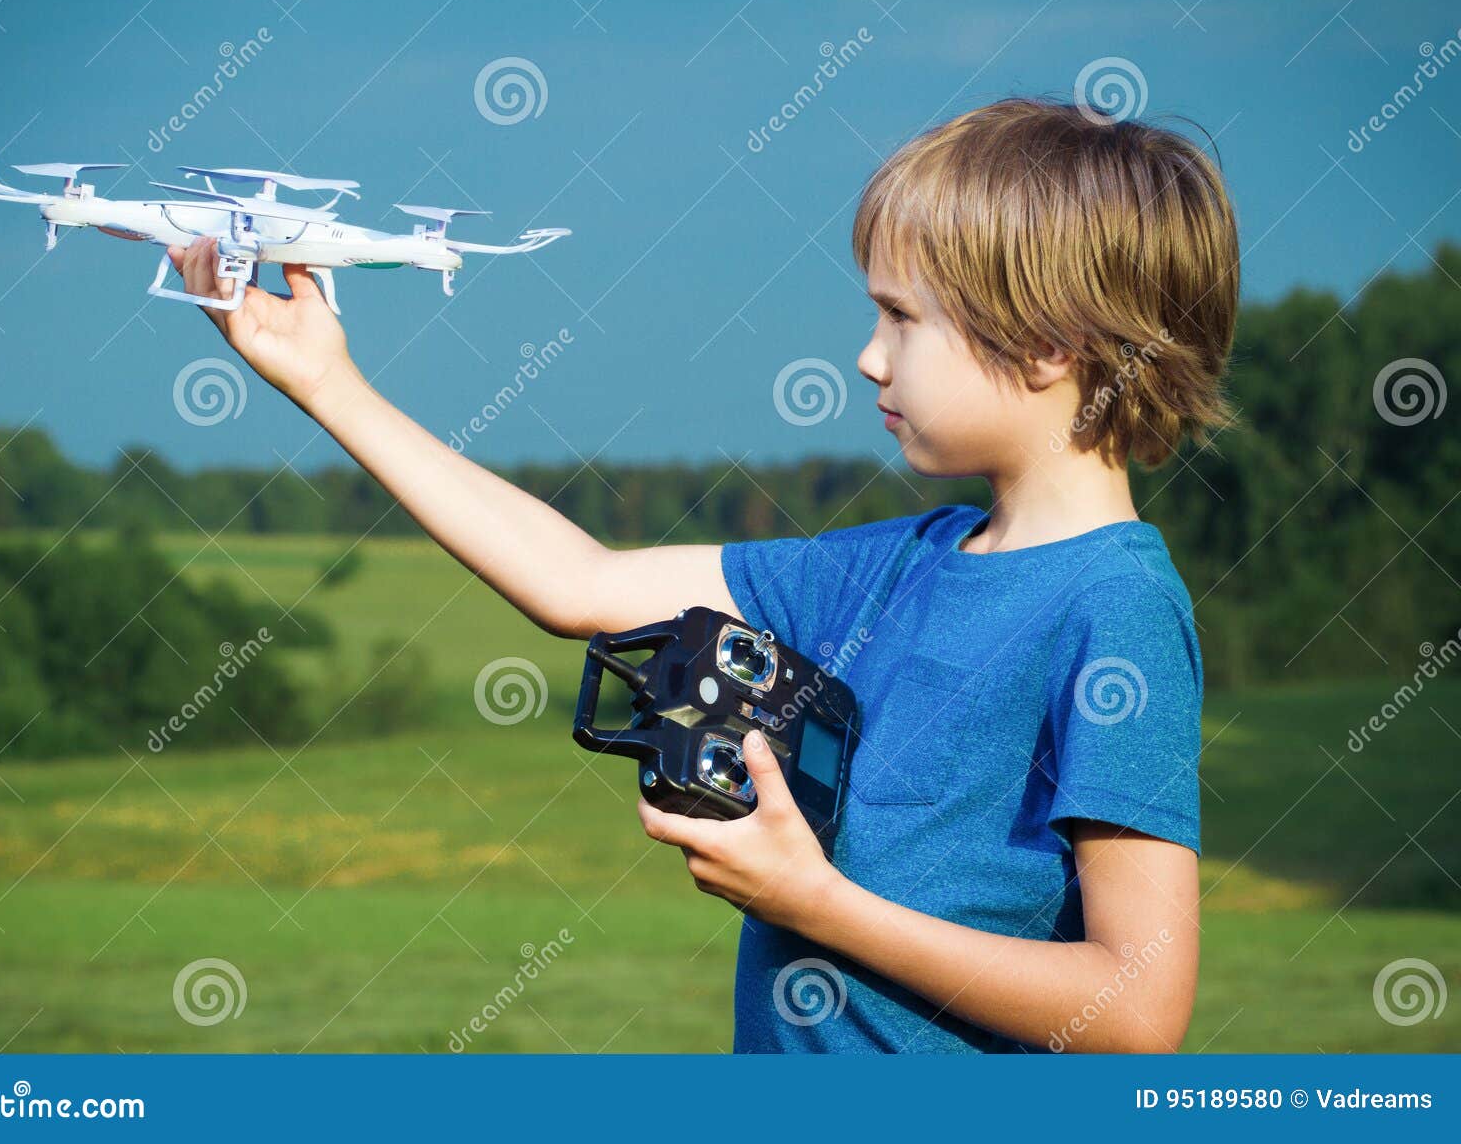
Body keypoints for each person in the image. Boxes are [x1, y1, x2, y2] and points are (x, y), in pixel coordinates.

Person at [167, 94, 1238, 1054]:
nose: (869, 356)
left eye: (901, 317)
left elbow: (1136, 1010)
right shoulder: (890, 566)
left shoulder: (1116, 609)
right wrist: (327, 383)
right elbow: (577, 580)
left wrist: (816, 904)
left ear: (1048, 344)